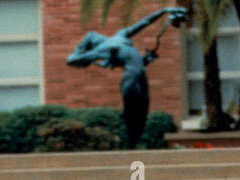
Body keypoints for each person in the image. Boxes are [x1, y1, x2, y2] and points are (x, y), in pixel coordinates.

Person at [67, 7, 188, 148]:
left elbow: (71, 60)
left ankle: (130, 140)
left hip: (133, 76)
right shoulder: (120, 36)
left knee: (131, 111)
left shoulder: (102, 49)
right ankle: (132, 140)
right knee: (141, 110)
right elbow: (145, 22)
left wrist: (82, 56)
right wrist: (164, 11)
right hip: (140, 73)